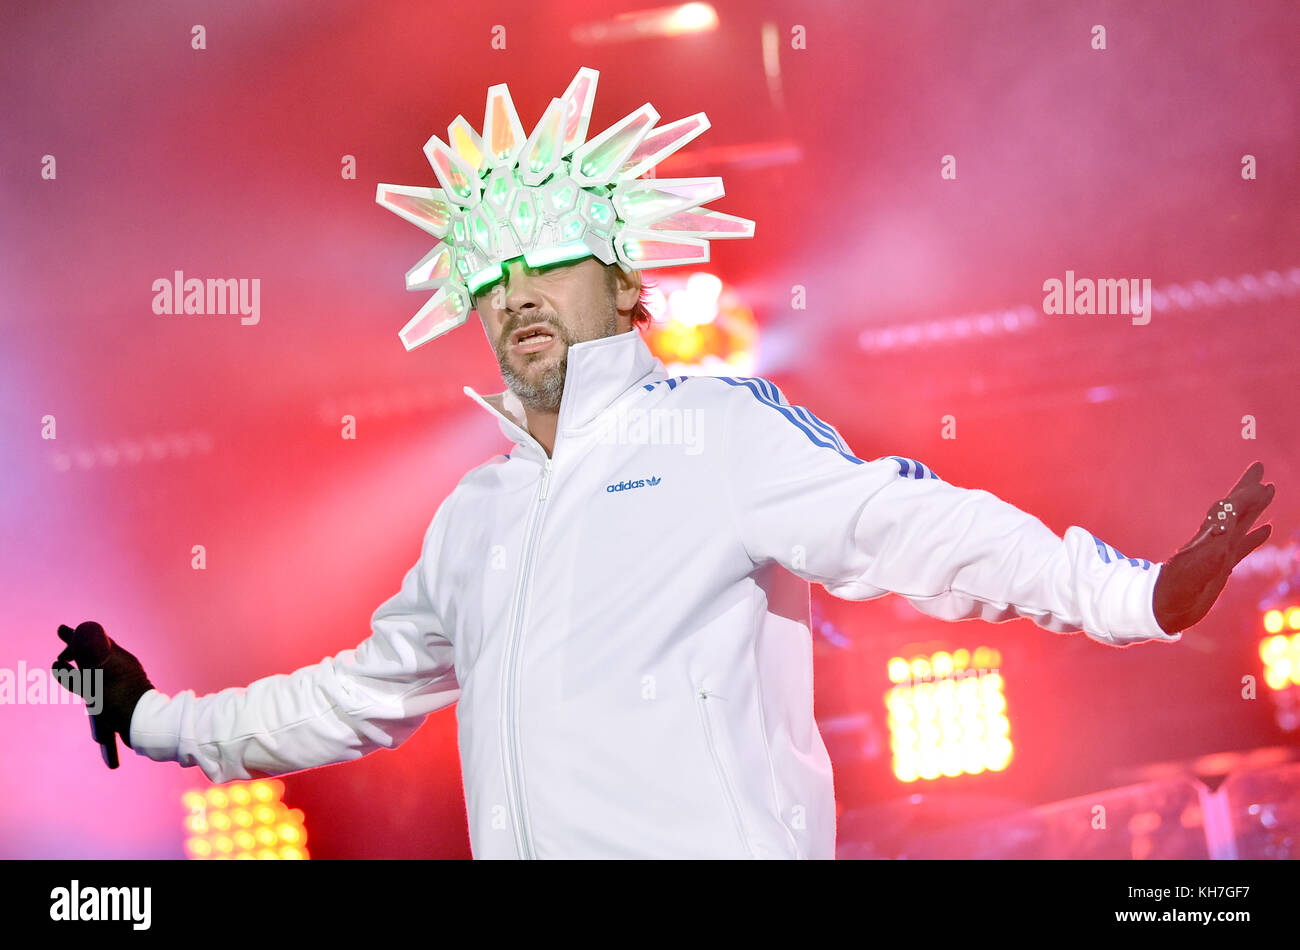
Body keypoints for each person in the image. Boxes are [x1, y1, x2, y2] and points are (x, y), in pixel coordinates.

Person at [54, 68, 1275, 859]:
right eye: (489, 272)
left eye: (549, 259)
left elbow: (911, 523)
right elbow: (353, 694)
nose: (516, 291)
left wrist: (1128, 594)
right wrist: (157, 719)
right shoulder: (470, 519)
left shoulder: (714, 429)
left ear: (627, 280)